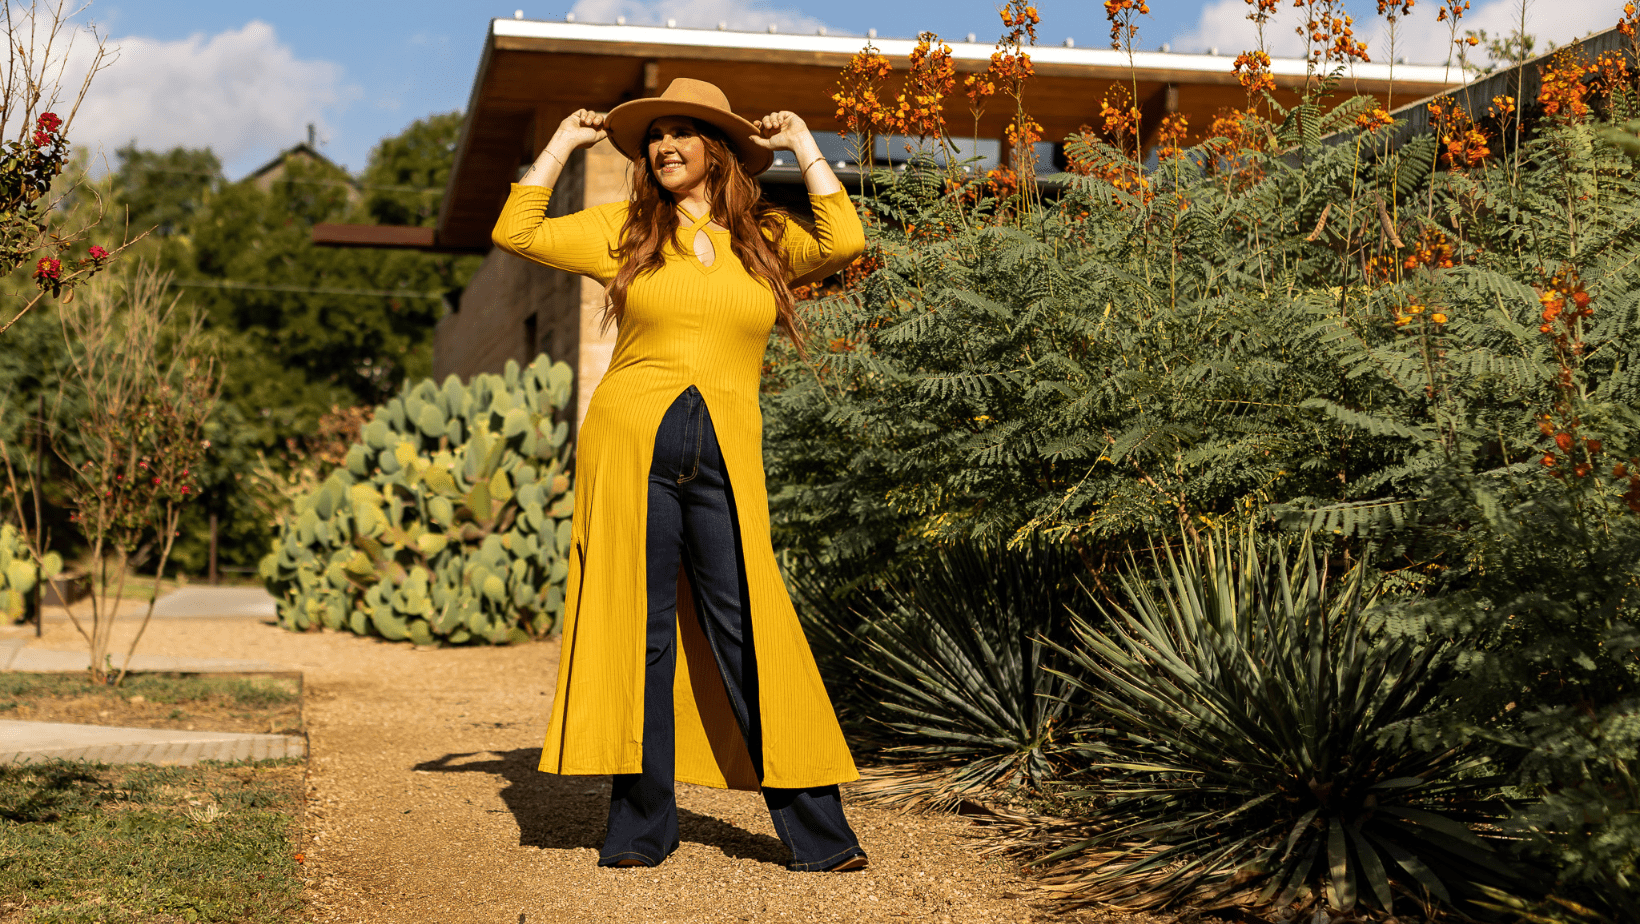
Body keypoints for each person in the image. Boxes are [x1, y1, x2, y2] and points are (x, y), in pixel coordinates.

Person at [491, 78, 868, 872]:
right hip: (631, 445)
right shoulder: (623, 230)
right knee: (643, 635)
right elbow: (515, 229)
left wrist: (804, 143)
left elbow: (845, 242)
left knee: (746, 627)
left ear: (717, 150)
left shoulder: (765, 236)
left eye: (679, 134)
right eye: (653, 135)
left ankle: (818, 835)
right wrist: (562, 142)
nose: (662, 147)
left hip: (725, 451)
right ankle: (638, 829)